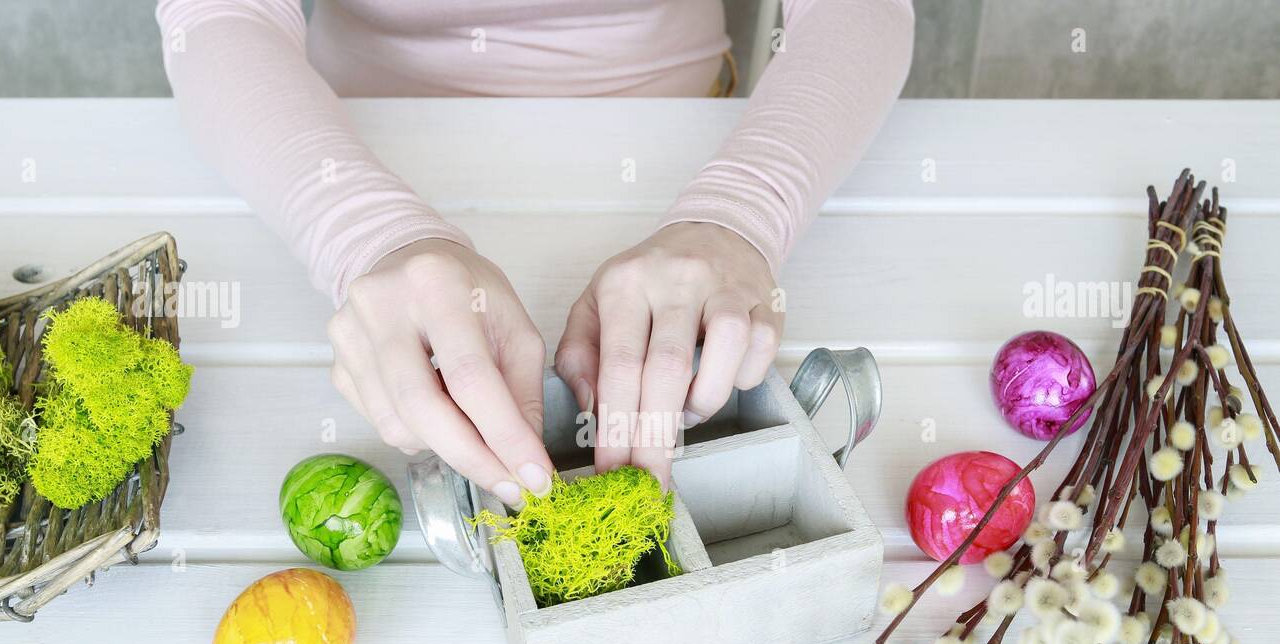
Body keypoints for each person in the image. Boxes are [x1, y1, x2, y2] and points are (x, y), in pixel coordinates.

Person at [157, 0, 914, 505]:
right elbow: (217, 14)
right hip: (338, 140)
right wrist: (365, 232)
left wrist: (739, 215)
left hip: (690, 138)